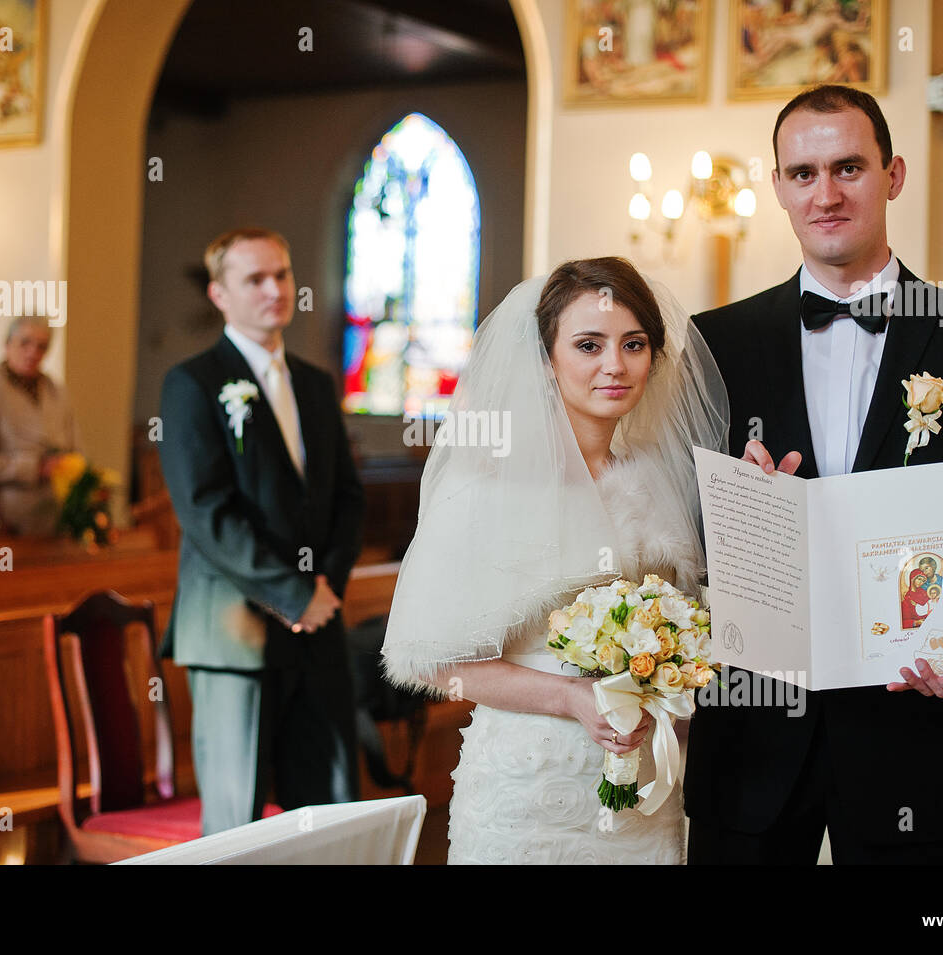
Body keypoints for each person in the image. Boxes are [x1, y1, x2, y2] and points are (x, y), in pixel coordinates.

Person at [686, 84, 943, 864]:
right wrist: (736, 508)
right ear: (778, 187)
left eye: (849, 168)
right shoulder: (714, 345)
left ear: (893, 175)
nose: (825, 194)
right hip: (752, 742)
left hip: (913, 737)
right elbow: (678, 535)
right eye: (803, 173)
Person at [382, 257, 729, 864]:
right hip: (528, 788)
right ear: (547, 359)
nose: (614, 366)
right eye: (588, 345)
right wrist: (570, 697)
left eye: (634, 344)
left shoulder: (660, 482)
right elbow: (435, 664)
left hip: (645, 792)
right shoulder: (487, 487)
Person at [159, 227, 364, 834]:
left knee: (330, 813)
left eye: (281, 274)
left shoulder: (315, 384)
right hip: (233, 633)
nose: (275, 289)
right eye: (255, 279)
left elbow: (347, 498)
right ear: (220, 294)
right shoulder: (193, 383)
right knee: (237, 819)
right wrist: (291, 594)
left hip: (318, 626)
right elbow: (205, 511)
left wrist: (325, 587)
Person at [0, 315, 79, 535]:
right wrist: (35, 467)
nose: (33, 352)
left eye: (41, 346)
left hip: (50, 523)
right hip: (2, 523)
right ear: (7, 344)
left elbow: (75, 449)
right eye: (25, 342)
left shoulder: (57, 392)